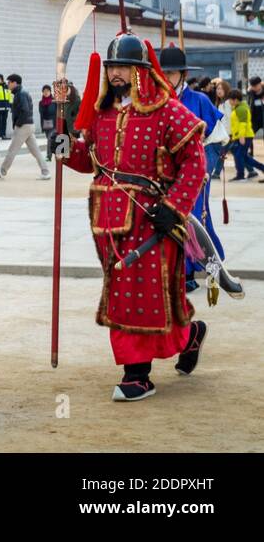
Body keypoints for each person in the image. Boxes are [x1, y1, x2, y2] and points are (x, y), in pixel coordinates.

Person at [53, 33, 209, 402]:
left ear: (141, 71)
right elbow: (89, 161)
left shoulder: (167, 111)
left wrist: (173, 208)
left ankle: (136, 374)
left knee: (140, 294)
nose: (116, 74)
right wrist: (63, 145)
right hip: (107, 220)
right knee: (131, 293)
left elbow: (195, 160)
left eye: (124, 67)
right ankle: (189, 336)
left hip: (152, 220)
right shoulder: (103, 114)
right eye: (112, 68)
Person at [158, 45, 227, 291]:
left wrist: (205, 165)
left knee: (194, 218)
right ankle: (177, 271)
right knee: (168, 219)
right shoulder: (158, 100)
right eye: (164, 72)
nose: (167, 77)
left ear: (183, 74)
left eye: (172, 73)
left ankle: (193, 271)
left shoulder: (199, 100)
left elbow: (217, 136)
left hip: (195, 171)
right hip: (166, 172)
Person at [0, 73, 50, 180]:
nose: (8, 84)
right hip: (28, 124)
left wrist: (18, 124)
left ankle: (2, 171)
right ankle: (45, 172)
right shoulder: (21, 93)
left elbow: (25, 110)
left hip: (23, 126)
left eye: (9, 82)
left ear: (15, 83)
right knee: (35, 151)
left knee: (12, 150)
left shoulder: (21, 94)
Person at [228, 89, 264, 179]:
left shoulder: (241, 109)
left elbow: (242, 124)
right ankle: (261, 168)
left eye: (230, 99)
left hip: (245, 136)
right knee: (244, 157)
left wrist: (241, 136)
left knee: (239, 155)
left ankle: (240, 175)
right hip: (241, 136)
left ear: (235, 100)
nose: (229, 101)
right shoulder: (238, 108)